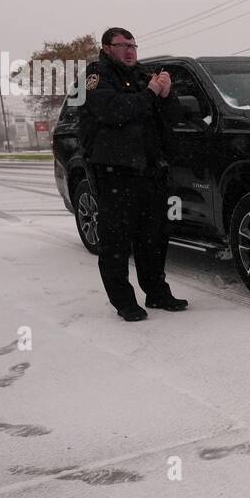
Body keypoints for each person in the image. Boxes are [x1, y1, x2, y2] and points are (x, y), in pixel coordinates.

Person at [79, 27, 188, 321]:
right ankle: (124, 302)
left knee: (153, 237)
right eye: (122, 45)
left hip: (150, 170)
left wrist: (166, 95)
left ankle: (157, 293)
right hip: (115, 173)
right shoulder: (94, 78)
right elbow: (114, 111)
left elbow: (173, 117)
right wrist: (151, 93)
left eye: (133, 45)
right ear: (106, 48)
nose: (130, 51)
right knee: (116, 241)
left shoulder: (144, 75)